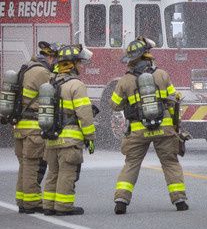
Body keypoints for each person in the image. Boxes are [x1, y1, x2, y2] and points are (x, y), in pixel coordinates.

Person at [110, 37, 188, 214]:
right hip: (164, 128)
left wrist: (130, 101)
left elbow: (114, 105)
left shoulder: (125, 80)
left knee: (131, 164)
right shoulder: (162, 74)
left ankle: (121, 201)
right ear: (147, 56)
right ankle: (180, 200)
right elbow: (173, 101)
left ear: (131, 60)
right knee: (170, 163)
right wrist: (177, 126)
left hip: (138, 131)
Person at [40, 44, 96, 216]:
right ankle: (64, 206)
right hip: (69, 140)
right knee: (67, 172)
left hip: (51, 138)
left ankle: (49, 205)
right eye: (80, 62)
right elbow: (84, 115)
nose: (82, 66)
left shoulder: (51, 82)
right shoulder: (76, 85)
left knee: (53, 172)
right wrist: (90, 137)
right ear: (71, 63)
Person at [8, 41, 57, 213]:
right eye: (55, 60)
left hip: (20, 125)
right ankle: (32, 202)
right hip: (33, 127)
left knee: (24, 164)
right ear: (50, 57)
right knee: (31, 165)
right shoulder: (43, 72)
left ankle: (22, 199)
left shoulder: (28, 67)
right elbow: (54, 93)